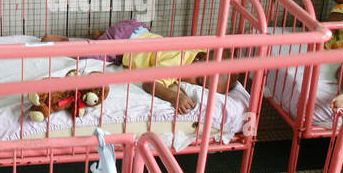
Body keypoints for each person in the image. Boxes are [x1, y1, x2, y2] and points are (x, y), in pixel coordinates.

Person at [41, 20, 234, 114]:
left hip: (136, 29)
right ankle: (62, 42)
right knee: (89, 54)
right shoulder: (178, 63)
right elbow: (150, 84)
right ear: (199, 61)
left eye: (201, 86)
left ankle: (103, 36)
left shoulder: (196, 51)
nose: (194, 85)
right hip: (123, 42)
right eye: (198, 81)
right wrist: (174, 96)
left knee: (107, 47)